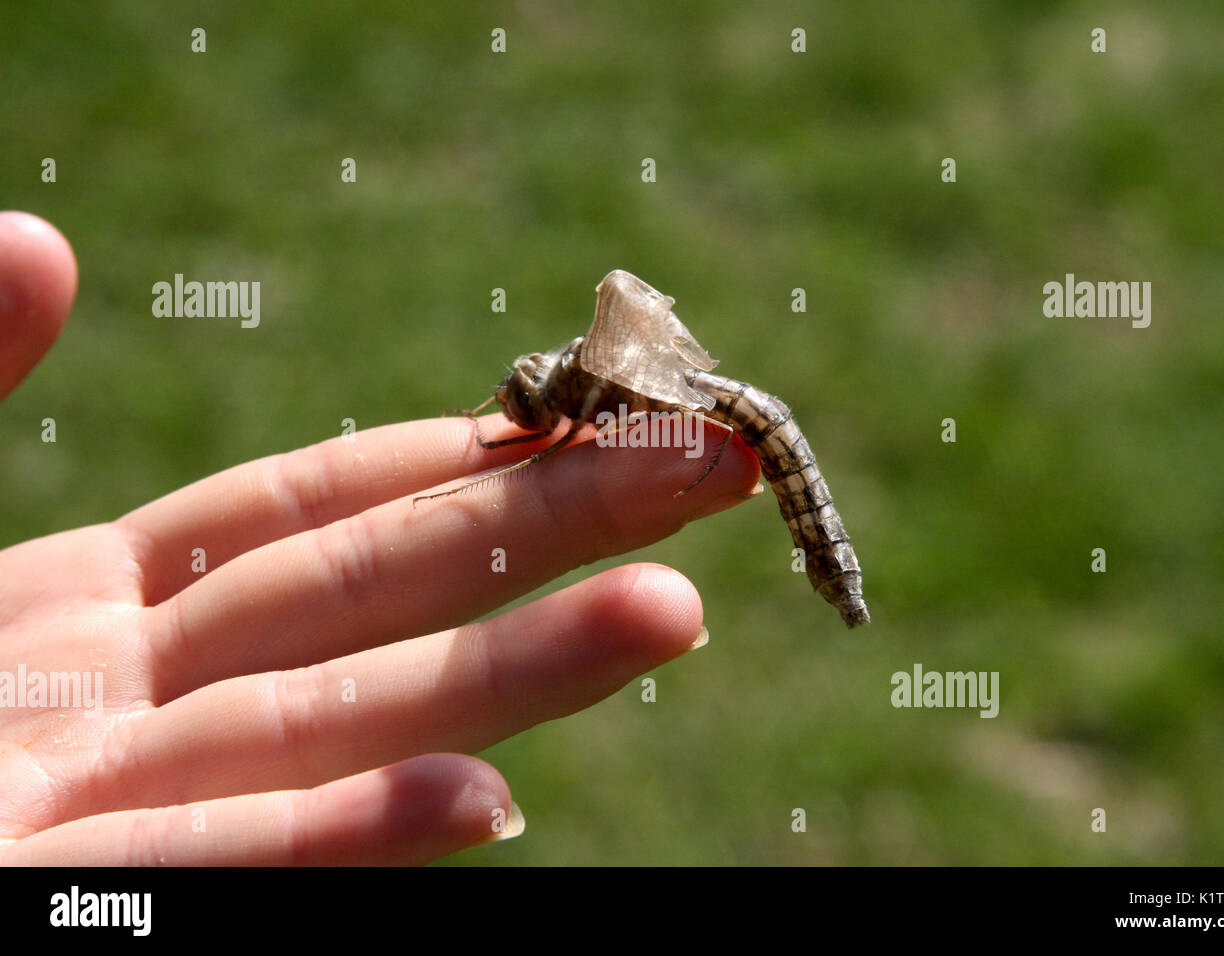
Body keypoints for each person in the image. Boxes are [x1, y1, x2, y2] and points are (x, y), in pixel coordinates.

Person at [0, 211, 760, 864]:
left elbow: (526, 446)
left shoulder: (592, 401)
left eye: (523, 389)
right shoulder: (574, 404)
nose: (513, 394)